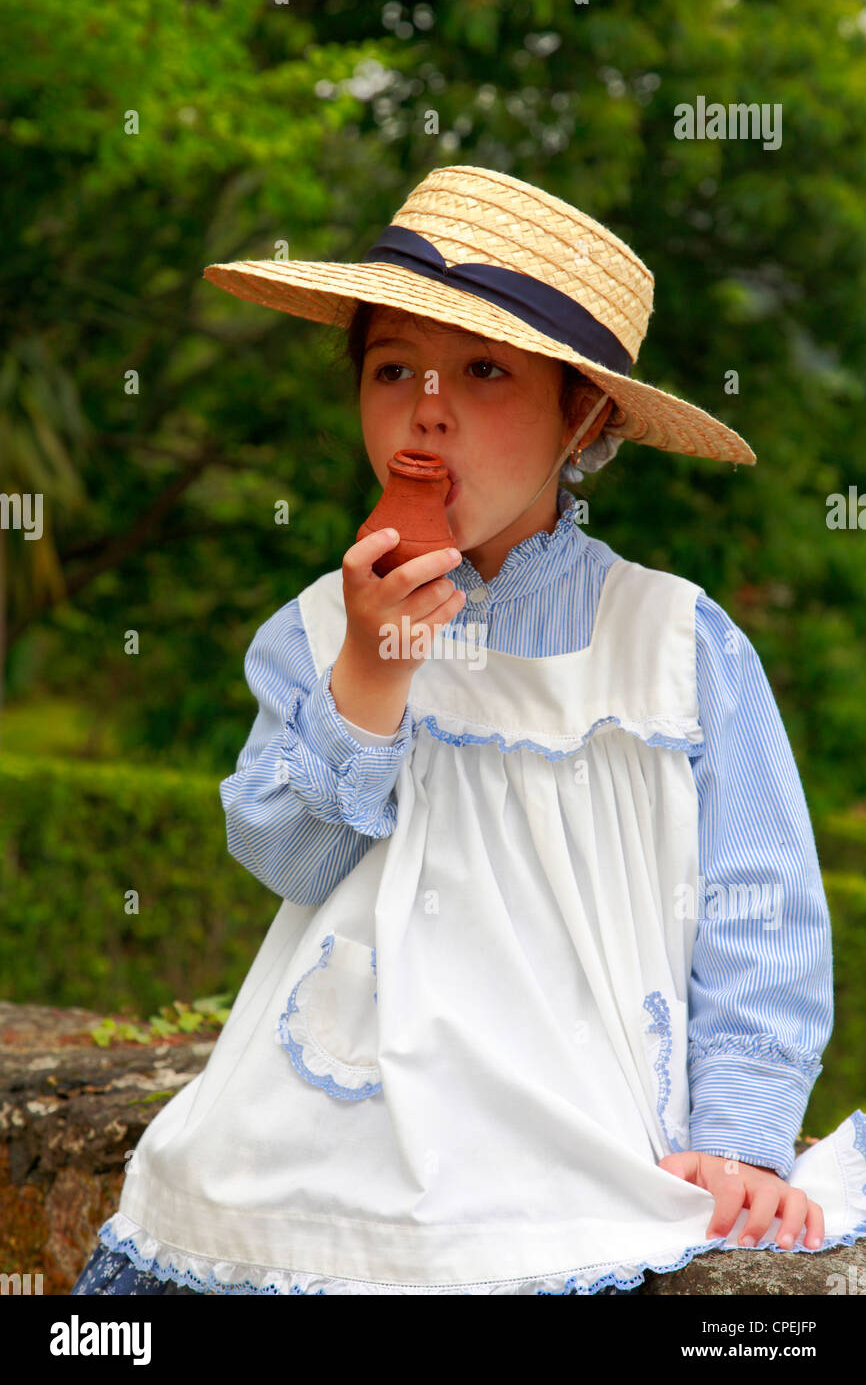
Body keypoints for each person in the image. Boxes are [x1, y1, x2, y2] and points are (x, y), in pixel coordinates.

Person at [72, 165, 866, 1296]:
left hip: (572, 1131)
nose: (426, 406)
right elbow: (285, 857)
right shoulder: (317, 627)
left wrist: (739, 1139)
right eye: (393, 367)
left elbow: (758, 905)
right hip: (324, 1133)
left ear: (580, 415)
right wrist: (370, 672)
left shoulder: (669, 641)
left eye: (483, 371)